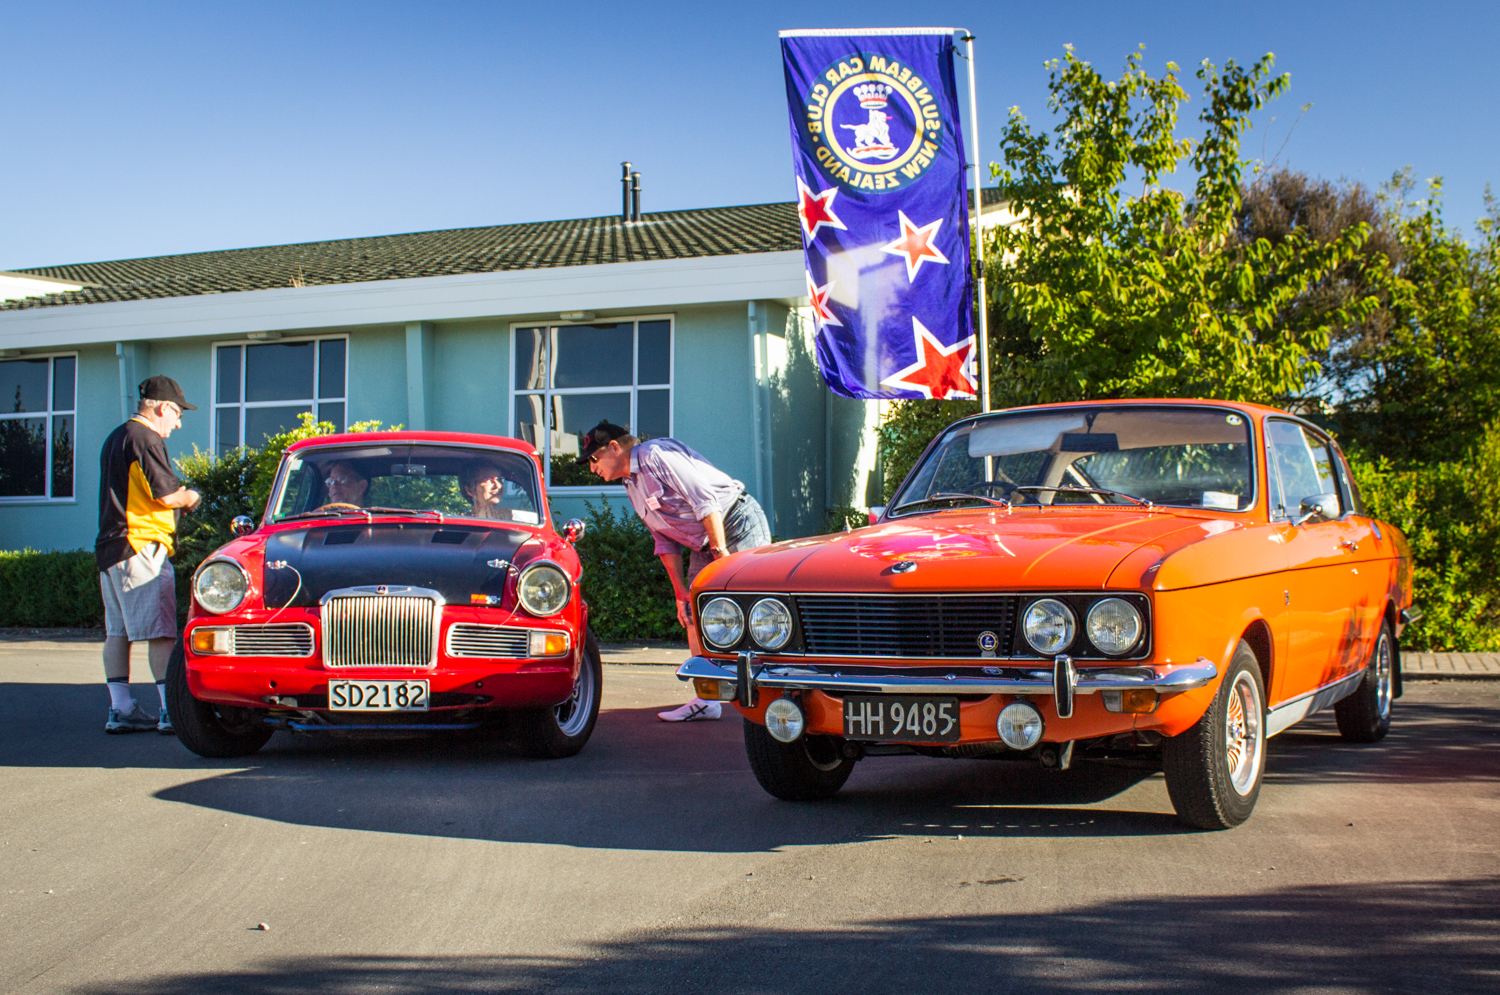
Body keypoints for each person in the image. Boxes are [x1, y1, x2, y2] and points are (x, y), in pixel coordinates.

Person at [580, 420, 770, 722]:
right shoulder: (631, 484)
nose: (592, 468)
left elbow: (705, 501)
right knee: (692, 613)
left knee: (753, 608)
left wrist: (721, 553)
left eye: (593, 459)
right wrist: (680, 591)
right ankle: (707, 697)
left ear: (614, 447)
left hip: (734, 523)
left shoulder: (657, 455)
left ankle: (773, 696)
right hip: (702, 542)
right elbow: (664, 539)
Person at [96, 375, 202, 735]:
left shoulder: (116, 437)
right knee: (161, 633)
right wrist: (191, 497)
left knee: (118, 632)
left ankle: (121, 707)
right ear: (162, 407)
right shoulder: (146, 438)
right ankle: (170, 710)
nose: (179, 422)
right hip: (142, 546)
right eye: (178, 413)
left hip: (111, 548)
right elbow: (166, 494)